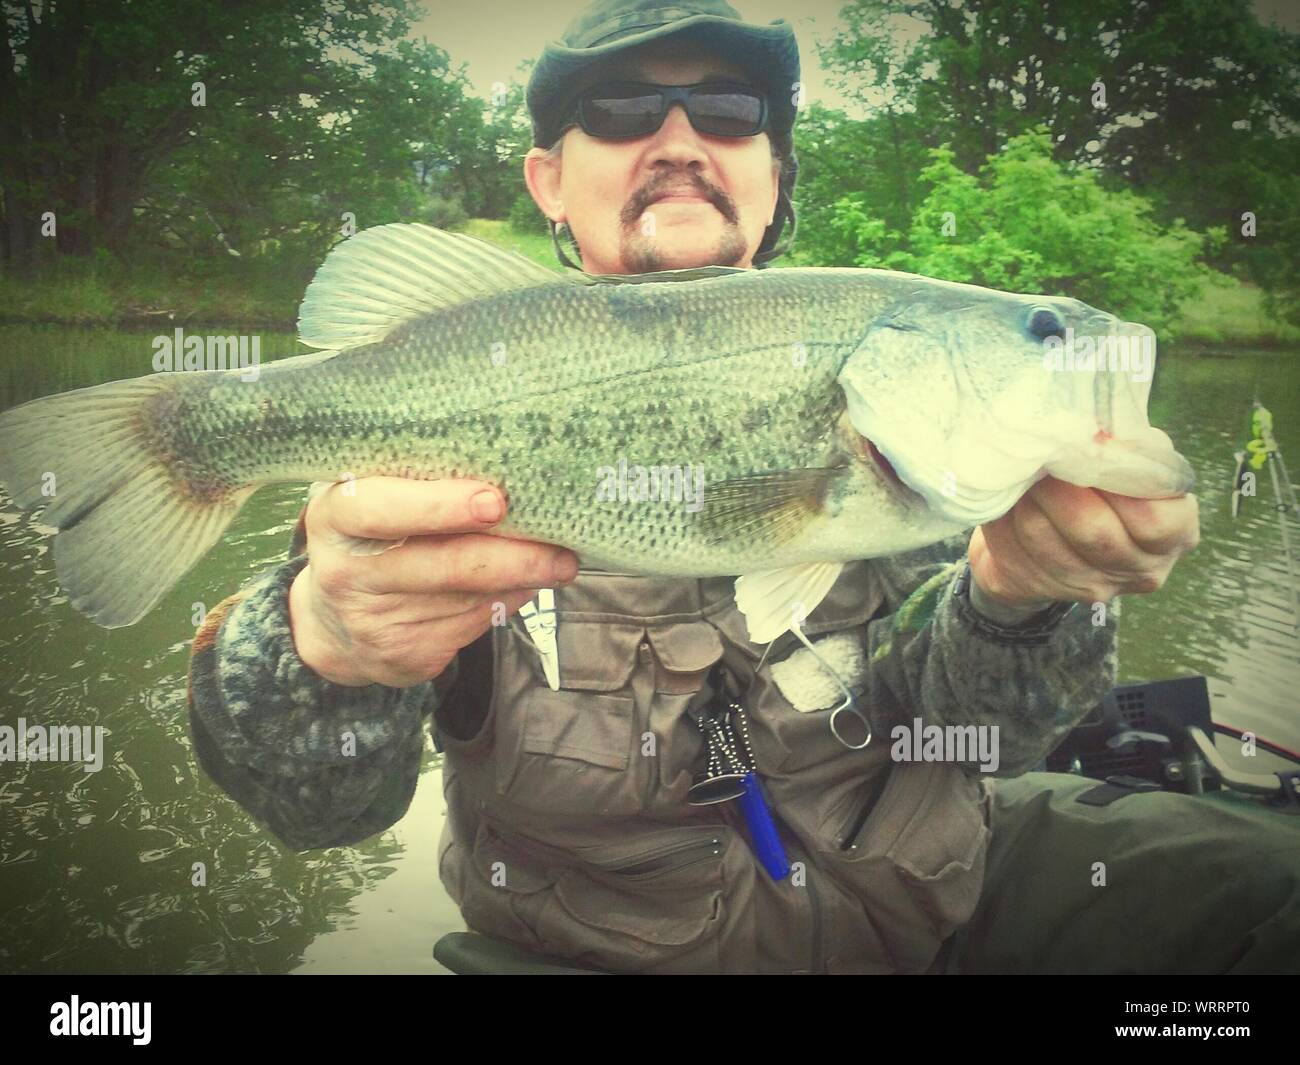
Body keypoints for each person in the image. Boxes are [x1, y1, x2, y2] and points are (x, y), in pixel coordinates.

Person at [187, 0, 1299, 973]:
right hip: (600, 954)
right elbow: (318, 813)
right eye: (619, 110)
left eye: (728, 110)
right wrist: (324, 647)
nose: (677, 139)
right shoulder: (425, 424)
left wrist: (1023, 598)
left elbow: (987, 743)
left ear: (771, 174)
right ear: (547, 182)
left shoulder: (928, 463)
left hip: (923, 918)